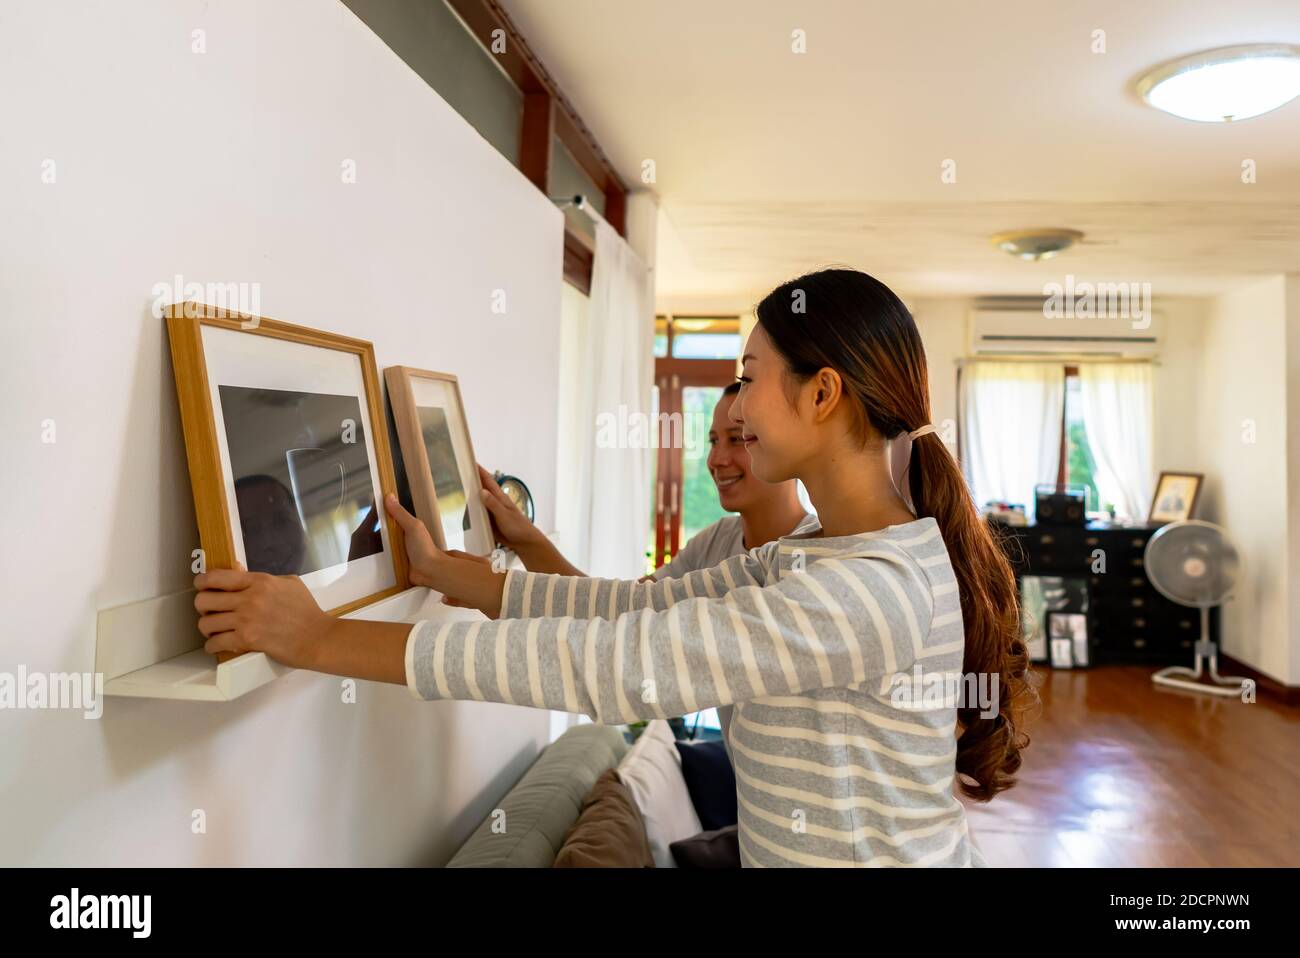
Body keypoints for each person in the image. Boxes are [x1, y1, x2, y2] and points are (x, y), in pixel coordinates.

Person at [194, 267, 1034, 867]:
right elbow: (635, 612)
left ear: (822, 395)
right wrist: (461, 575)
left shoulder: (866, 591)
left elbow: (626, 665)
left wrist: (319, 642)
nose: (734, 408)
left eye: (749, 381)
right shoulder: (812, 556)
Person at [469, 381, 818, 752]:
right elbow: (618, 611)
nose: (717, 459)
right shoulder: (716, 542)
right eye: (714, 441)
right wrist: (525, 539)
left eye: (738, 439)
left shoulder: (811, 563)